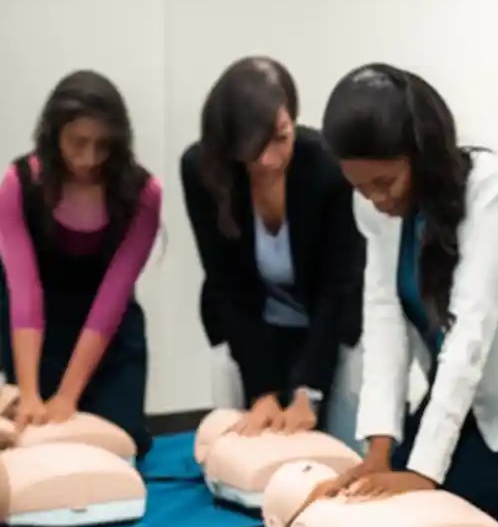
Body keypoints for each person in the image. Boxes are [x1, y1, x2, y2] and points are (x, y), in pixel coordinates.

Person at [316, 63, 498, 525]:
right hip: (467, 392)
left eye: (384, 182)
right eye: (360, 187)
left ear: (420, 155)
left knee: (460, 505)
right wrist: (377, 452)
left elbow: (470, 333)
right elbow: (383, 322)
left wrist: (423, 475)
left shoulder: (490, 188)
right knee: (385, 487)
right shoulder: (371, 206)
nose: (375, 199)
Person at [181, 57, 364, 444]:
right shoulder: (201, 169)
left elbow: (339, 285)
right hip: (249, 325)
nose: (269, 159)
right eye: (254, 147)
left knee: (338, 447)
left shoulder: (328, 168)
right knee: (242, 444)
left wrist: (307, 391)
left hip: (329, 323)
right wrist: (261, 392)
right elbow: (226, 282)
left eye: (281, 137)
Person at [0, 70, 160, 456]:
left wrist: (68, 395)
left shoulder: (142, 194)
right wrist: (31, 392)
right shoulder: (19, 184)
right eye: (78, 143)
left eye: (103, 146)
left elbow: (113, 296)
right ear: (54, 134)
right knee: (32, 441)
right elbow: (24, 290)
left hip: (108, 332)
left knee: (118, 442)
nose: (89, 158)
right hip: (37, 327)